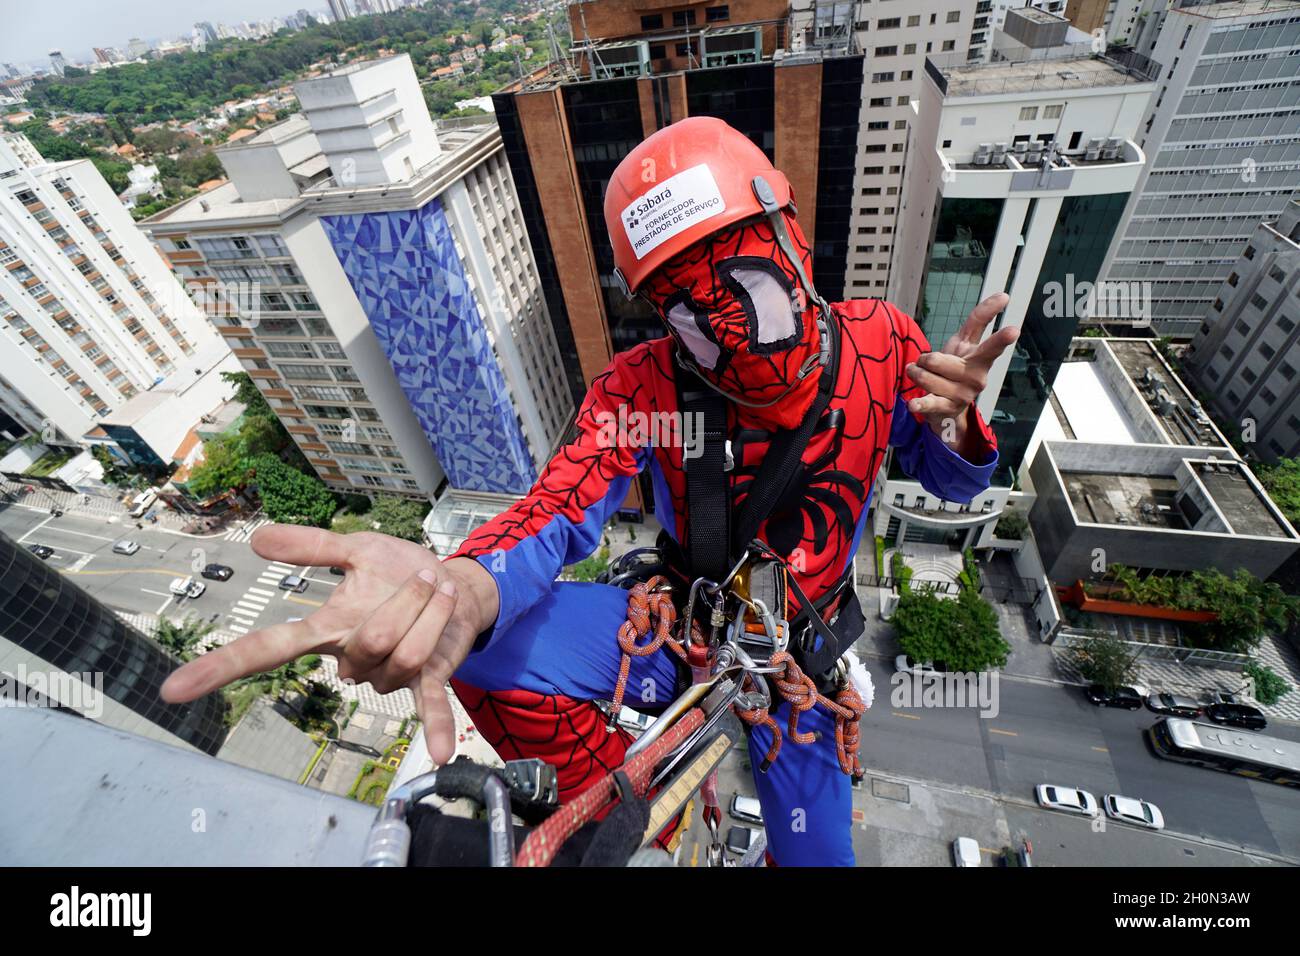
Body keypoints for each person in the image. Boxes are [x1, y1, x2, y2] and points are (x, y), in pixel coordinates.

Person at [162, 117, 1018, 865]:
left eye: (744, 285)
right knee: (479, 644)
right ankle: (609, 809)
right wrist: (463, 582)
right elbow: (560, 505)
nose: (726, 329)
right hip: (683, 630)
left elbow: (950, 481)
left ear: (790, 234)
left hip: (801, 661)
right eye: (684, 308)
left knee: (816, 859)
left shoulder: (880, 342)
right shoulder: (643, 390)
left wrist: (951, 426)